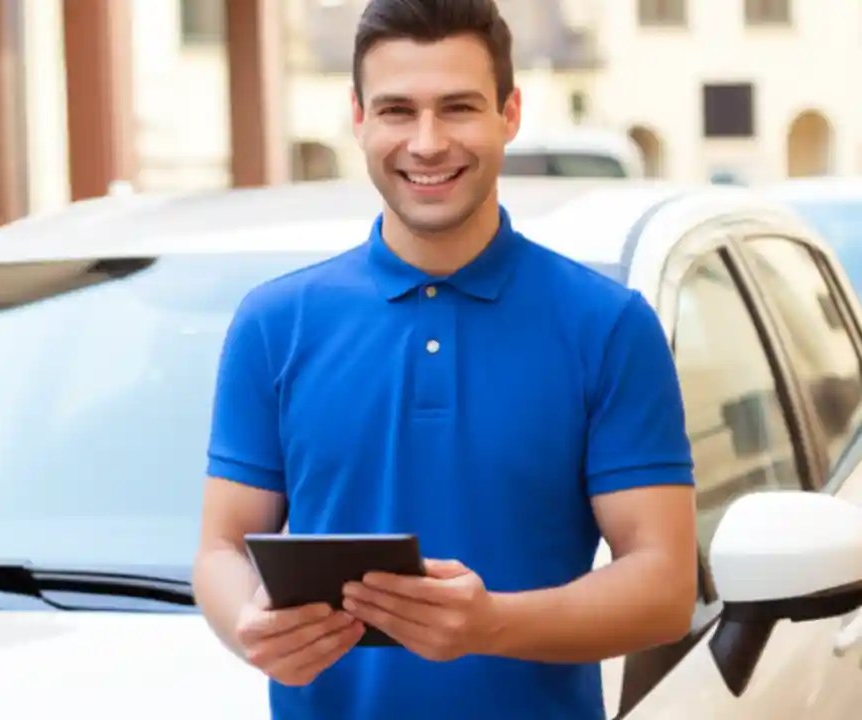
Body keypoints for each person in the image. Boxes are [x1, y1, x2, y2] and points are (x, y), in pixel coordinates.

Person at [191, 0, 698, 718]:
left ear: (509, 113)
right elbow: (221, 548)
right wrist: (249, 623)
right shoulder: (274, 324)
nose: (427, 144)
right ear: (358, 118)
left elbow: (664, 586)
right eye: (397, 111)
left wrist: (493, 625)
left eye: (457, 108)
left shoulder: (609, 327)